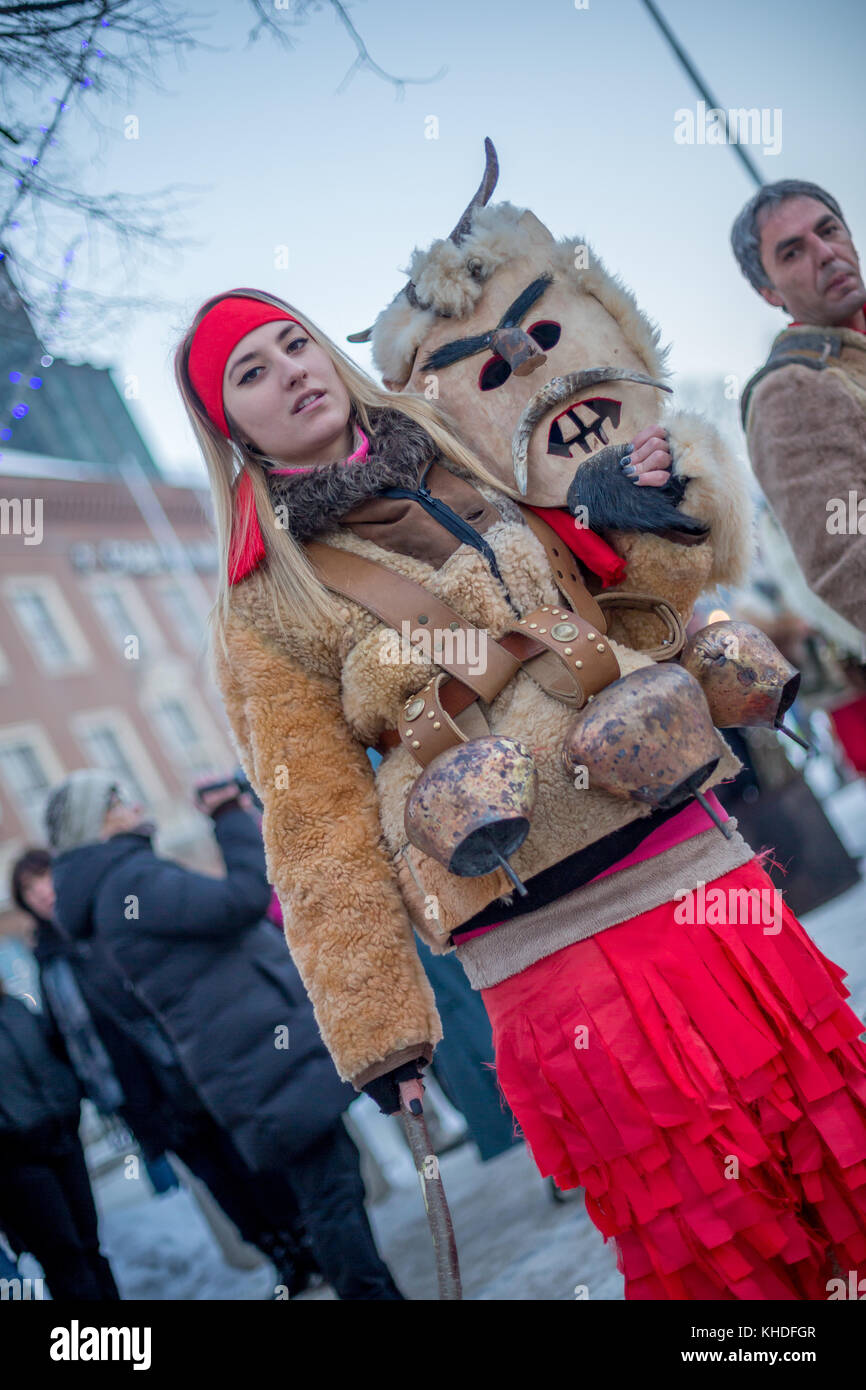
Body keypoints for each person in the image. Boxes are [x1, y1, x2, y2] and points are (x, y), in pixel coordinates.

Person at [173, 270, 866, 1301]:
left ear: (326, 347)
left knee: (830, 1141)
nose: (289, 374)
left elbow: (625, 593)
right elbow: (313, 820)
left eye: (293, 344)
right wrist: (378, 1030)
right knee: (707, 1231)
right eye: (250, 372)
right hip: (536, 935)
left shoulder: (467, 438)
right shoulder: (260, 601)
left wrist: (648, 513)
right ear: (226, 420)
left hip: (683, 849)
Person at [45, 770, 404, 1301]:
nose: (133, 802)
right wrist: (229, 816)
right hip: (259, 1058)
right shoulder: (128, 883)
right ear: (93, 822)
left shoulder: (117, 885)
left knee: (333, 1189)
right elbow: (238, 899)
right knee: (331, 1195)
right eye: (116, 799)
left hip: (252, 1056)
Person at [11, 847, 319, 1294]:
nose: (41, 891)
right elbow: (65, 1039)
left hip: (184, 1070)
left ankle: (303, 1242)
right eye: (28, 889)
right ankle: (277, 1255)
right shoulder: (50, 963)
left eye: (43, 877)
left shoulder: (103, 925)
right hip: (139, 1097)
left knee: (249, 1161)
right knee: (217, 1183)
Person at [731, 179, 866, 635]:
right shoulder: (789, 391)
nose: (825, 253)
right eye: (792, 252)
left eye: (828, 231)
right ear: (770, 292)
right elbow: (850, 564)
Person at [0, 975, 120, 1300]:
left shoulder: (16, 1008)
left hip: (63, 1138)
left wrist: (68, 1100)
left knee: (90, 1244)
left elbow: (55, 1051)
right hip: (15, 1161)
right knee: (64, 1258)